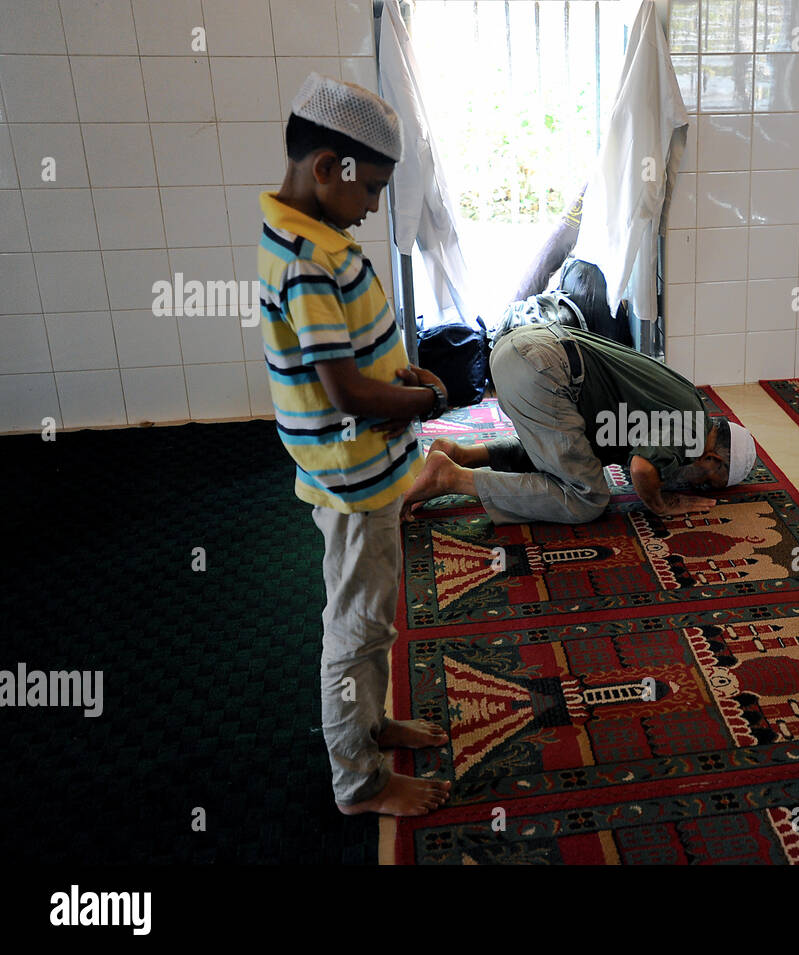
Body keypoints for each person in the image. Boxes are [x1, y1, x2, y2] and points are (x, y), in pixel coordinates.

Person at [258, 73, 453, 817]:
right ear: (325, 168)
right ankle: (360, 780)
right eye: (369, 188)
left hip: (353, 467)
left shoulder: (305, 234)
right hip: (353, 471)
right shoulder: (310, 258)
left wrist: (397, 378)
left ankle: (369, 723)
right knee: (358, 625)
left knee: (364, 613)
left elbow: (343, 363)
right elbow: (344, 393)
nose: (373, 207)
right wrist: (428, 398)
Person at [400, 321, 758, 525]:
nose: (695, 489)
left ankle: (460, 454)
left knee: (577, 456)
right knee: (587, 498)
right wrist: (662, 504)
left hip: (518, 350)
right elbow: (642, 469)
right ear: (713, 459)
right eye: (708, 484)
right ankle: (451, 477)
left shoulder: (688, 398)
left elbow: (593, 445)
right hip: (545, 372)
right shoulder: (693, 430)